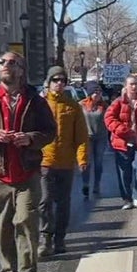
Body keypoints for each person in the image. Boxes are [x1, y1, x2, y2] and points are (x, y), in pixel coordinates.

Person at [0, 51, 57, 272]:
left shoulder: (35, 100)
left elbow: (50, 131)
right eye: (2, 62)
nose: (6, 66)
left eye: (12, 63)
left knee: (26, 222)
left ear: (22, 70)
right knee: (2, 226)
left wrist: (29, 138)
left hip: (27, 173)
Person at [39, 66, 89, 257]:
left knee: (63, 203)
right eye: (56, 80)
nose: (59, 83)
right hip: (44, 161)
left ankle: (60, 238)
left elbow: (81, 136)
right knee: (44, 201)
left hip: (66, 163)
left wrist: (82, 158)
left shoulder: (73, 106)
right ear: (49, 82)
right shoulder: (40, 104)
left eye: (63, 80)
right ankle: (46, 237)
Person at [104, 74, 137, 211]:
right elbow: (109, 119)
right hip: (122, 142)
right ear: (125, 86)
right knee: (124, 171)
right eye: (131, 84)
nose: (134, 86)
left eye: (136, 84)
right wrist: (123, 130)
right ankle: (127, 198)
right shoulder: (118, 102)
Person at [80, 84, 109, 199]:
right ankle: (85, 184)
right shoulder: (81, 105)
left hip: (101, 137)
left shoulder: (105, 106)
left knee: (98, 162)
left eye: (99, 92)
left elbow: (110, 119)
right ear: (90, 93)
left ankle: (96, 184)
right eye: (94, 92)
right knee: (86, 162)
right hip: (86, 137)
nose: (97, 94)